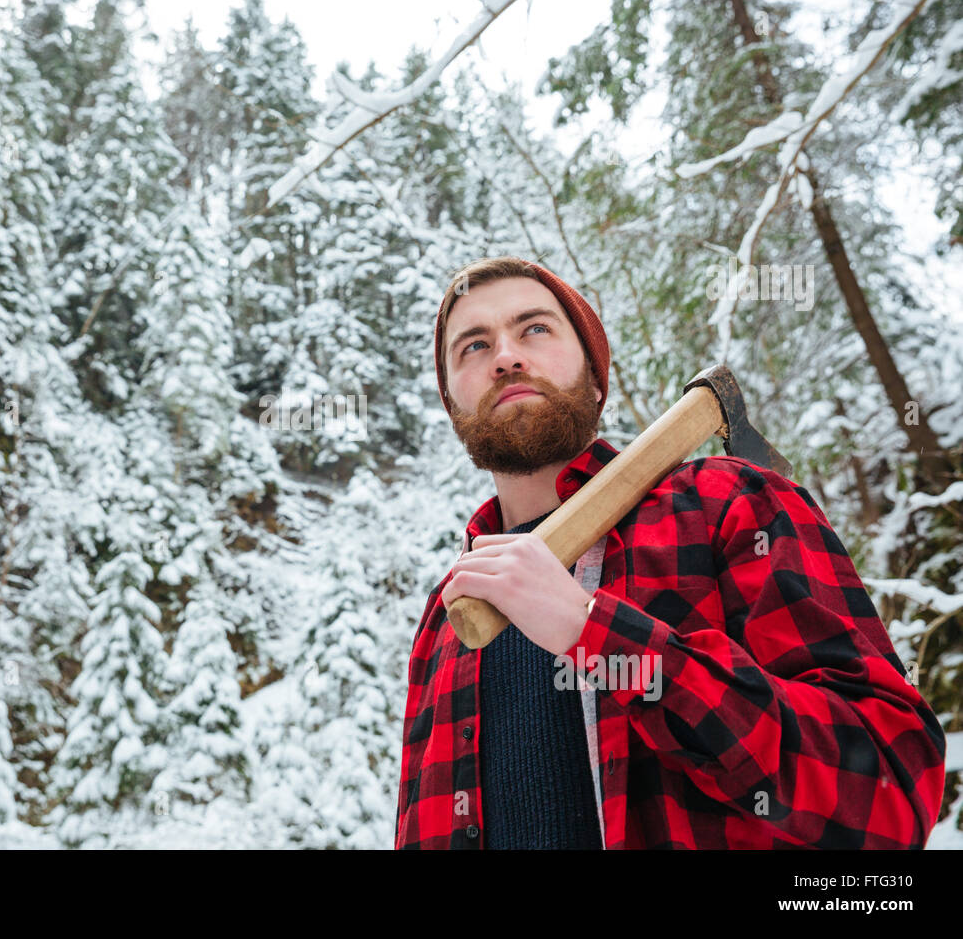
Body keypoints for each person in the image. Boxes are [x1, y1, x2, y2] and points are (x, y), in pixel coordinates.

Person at [393, 256, 947, 849]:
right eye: (473, 346)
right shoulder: (451, 613)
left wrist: (597, 633)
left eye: (534, 328)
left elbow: (891, 792)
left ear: (596, 377)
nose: (505, 356)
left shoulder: (727, 504)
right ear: (453, 407)